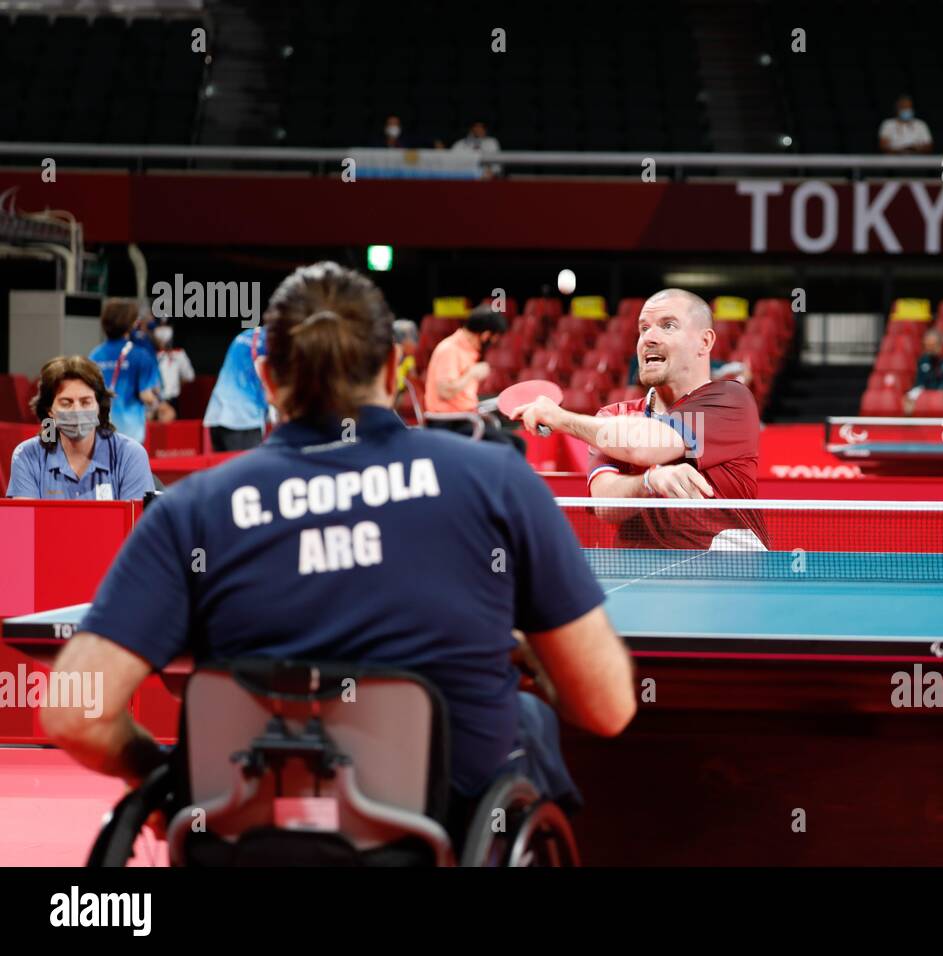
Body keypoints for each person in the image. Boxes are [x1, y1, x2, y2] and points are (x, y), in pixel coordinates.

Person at [39, 261, 635, 822]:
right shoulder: (496, 480)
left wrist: (168, 777)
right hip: (435, 826)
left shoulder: (192, 509)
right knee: (527, 718)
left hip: (246, 829)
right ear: (393, 366)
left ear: (268, 378)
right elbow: (608, 707)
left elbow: (74, 711)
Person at [510, 288, 765, 549]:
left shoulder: (729, 400)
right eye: (643, 329)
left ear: (705, 342)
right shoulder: (613, 417)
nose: (649, 338)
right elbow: (606, 507)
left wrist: (560, 418)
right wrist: (648, 482)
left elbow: (644, 447)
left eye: (668, 326)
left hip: (724, 577)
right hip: (640, 577)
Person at [7, 355, 154, 500]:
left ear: (99, 406)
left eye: (86, 402)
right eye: (66, 403)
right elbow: (24, 523)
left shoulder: (130, 455)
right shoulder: (27, 455)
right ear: (49, 410)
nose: (77, 410)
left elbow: (137, 522)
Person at [87, 298, 163, 444]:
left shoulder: (95, 355)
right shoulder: (141, 356)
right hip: (130, 433)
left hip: (99, 430)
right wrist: (157, 404)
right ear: (132, 324)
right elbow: (146, 395)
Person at [203, 325, 269, 451]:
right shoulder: (275, 342)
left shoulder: (245, 335)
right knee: (248, 470)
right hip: (243, 422)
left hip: (217, 417)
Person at [903, 327, 943, 414]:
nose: (929, 349)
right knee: (909, 400)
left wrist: (933, 395)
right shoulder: (924, 359)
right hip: (928, 397)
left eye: (932, 346)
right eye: (927, 346)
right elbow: (920, 383)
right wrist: (912, 395)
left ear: (940, 344)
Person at [152, 323, 194, 422]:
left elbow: (189, 377)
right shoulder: (148, 355)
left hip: (172, 400)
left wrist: (176, 386)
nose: (163, 333)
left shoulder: (178, 354)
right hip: (151, 401)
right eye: (160, 328)